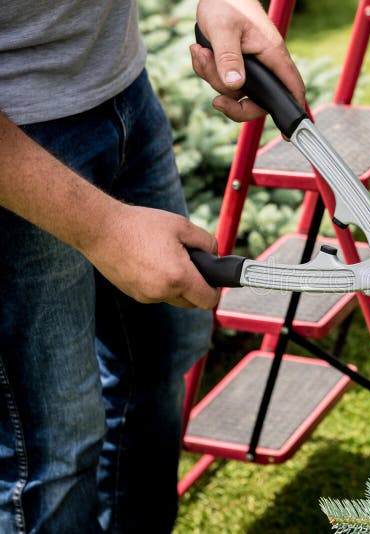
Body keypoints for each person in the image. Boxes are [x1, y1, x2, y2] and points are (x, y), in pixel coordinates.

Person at [0, 0, 305, 531]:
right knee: (52, 449)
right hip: (18, 149)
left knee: (163, 357)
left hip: (124, 93)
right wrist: (101, 228)